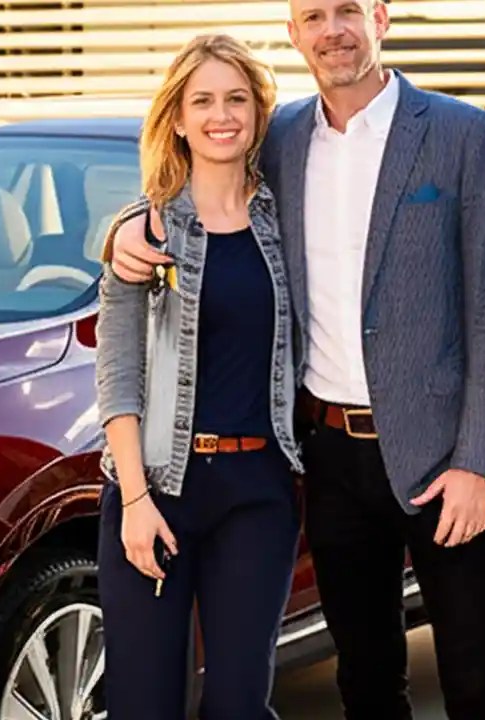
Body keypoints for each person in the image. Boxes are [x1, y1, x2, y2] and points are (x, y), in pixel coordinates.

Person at [105, 1, 485, 719]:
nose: (332, 30)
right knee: (365, 682)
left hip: (449, 459)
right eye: (313, 15)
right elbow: (196, 187)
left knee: (476, 683)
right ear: (294, 34)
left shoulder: (463, 135)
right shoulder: (279, 139)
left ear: (381, 18)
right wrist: (126, 225)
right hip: (332, 459)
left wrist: (480, 464)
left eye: (348, 11)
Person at [94, 33, 303, 719]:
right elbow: (118, 376)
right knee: (144, 703)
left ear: (258, 112)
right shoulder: (145, 233)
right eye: (204, 100)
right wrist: (134, 502)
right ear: (177, 118)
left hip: (257, 492)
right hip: (156, 489)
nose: (222, 115)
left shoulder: (287, 220)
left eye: (237, 98)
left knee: (240, 703)